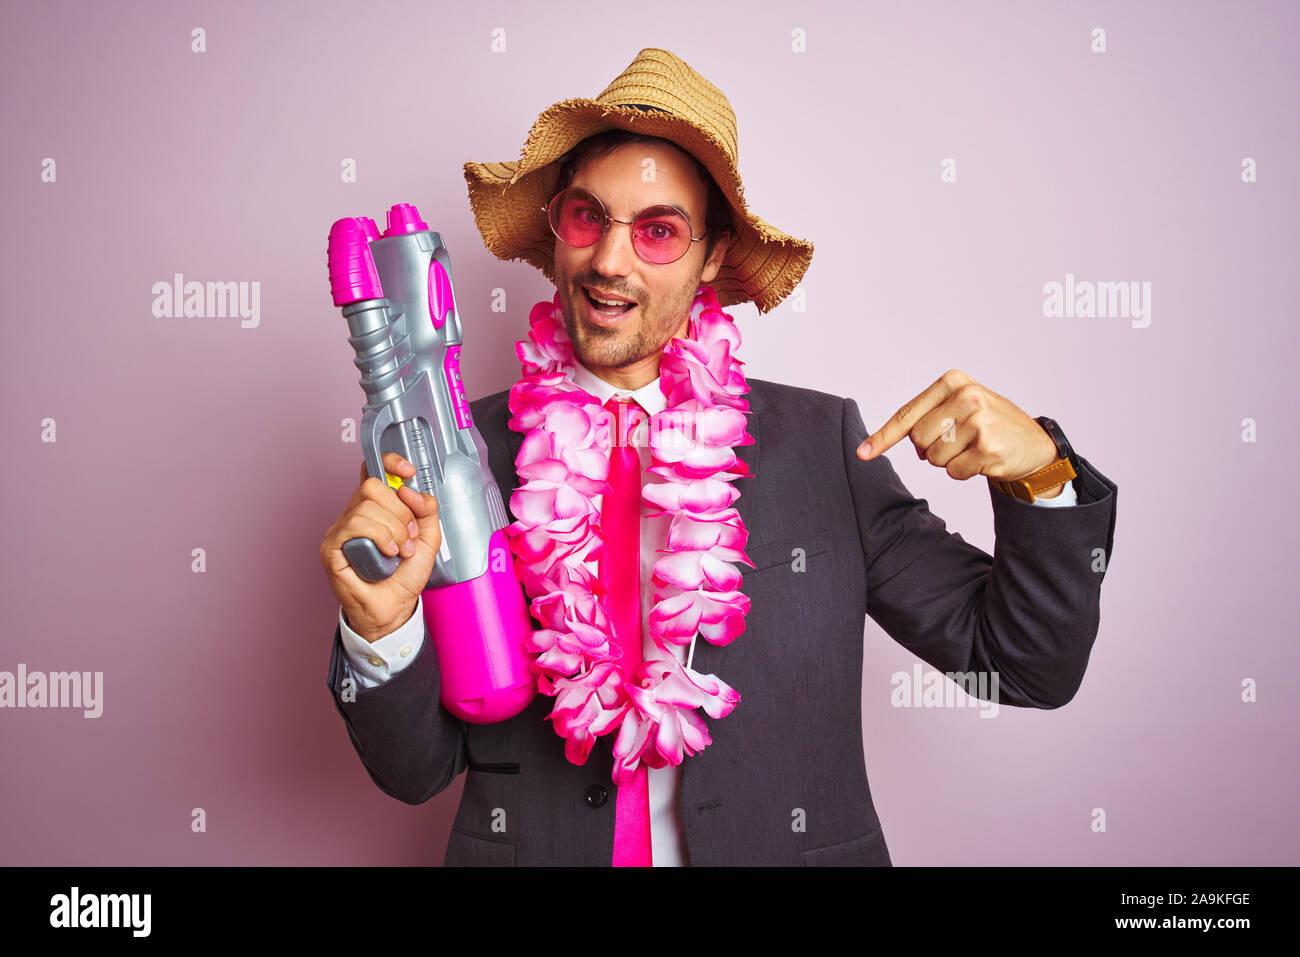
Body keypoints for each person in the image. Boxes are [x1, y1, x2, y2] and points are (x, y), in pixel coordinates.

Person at [319, 48, 1118, 866]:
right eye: (590, 216)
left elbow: (1023, 666)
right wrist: (380, 630)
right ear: (558, 228)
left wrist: (1041, 475)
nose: (609, 261)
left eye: (658, 231)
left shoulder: (822, 446)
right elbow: (414, 772)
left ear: (712, 259)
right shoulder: (457, 455)